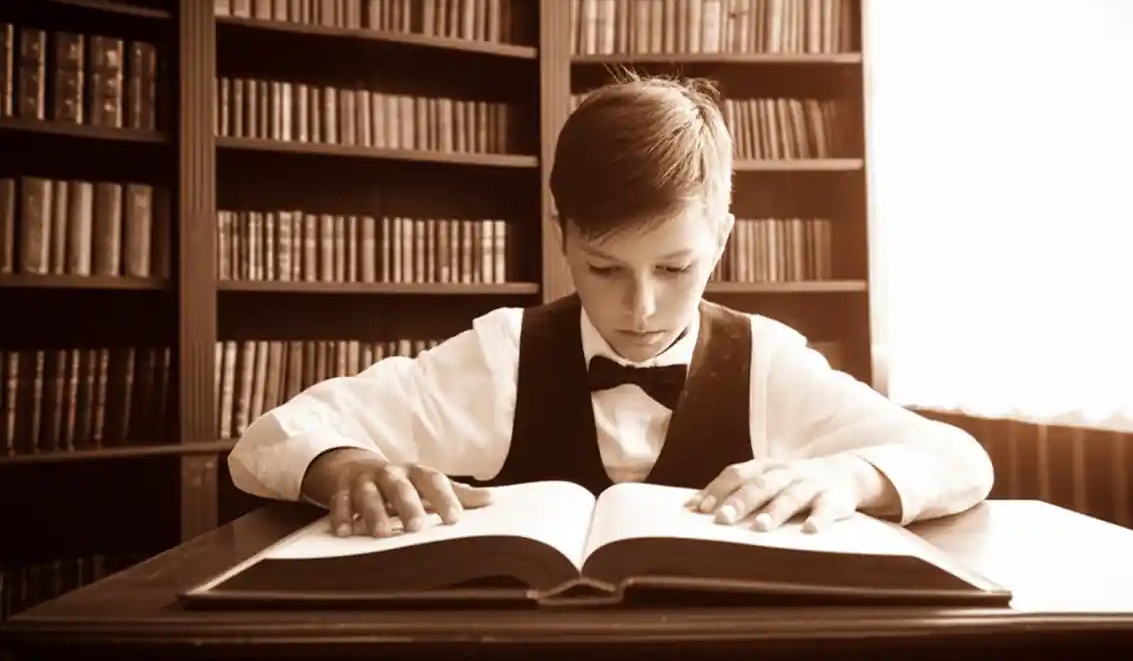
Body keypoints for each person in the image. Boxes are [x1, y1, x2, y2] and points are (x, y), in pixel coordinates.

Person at [227, 73, 994, 539]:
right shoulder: (498, 356)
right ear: (562, 237)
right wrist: (343, 465)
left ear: (721, 238)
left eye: (674, 266)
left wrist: (852, 479)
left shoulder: (769, 362)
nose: (642, 306)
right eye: (604, 268)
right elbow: (267, 440)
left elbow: (960, 460)